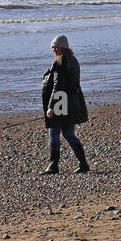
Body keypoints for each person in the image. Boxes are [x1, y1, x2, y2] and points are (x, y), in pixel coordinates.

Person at [40, 34, 89, 174]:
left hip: (60, 102)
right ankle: (83, 163)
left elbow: (57, 86)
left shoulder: (60, 62)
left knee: (54, 133)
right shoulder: (73, 60)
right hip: (71, 102)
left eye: (56, 47)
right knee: (68, 133)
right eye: (53, 47)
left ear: (63, 47)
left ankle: (53, 165)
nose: (54, 49)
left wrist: (51, 107)